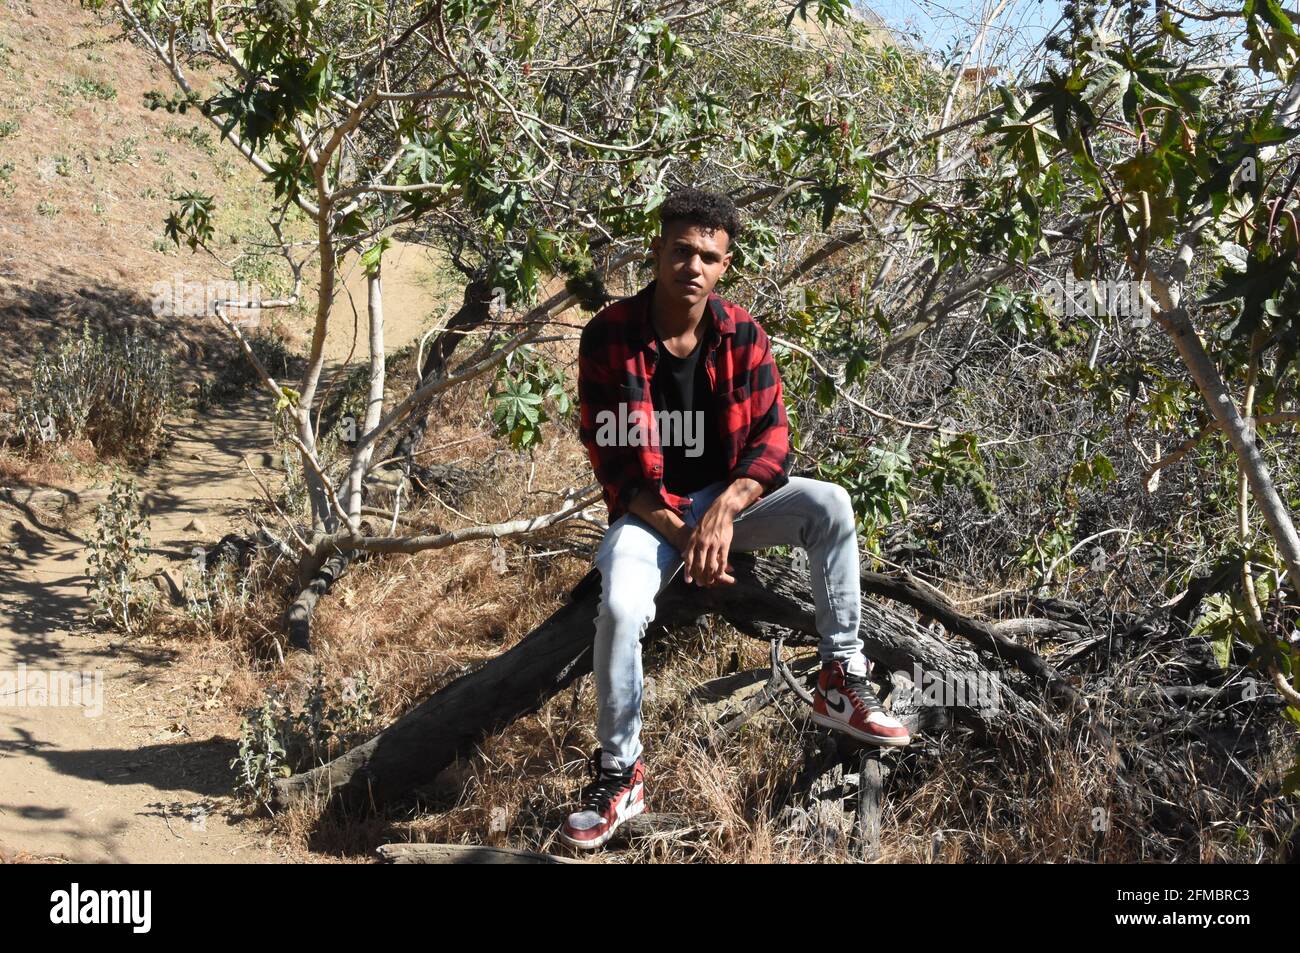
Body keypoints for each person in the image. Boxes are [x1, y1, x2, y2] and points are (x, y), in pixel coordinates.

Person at [559, 188, 909, 850]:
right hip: (652, 514)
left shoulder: (742, 333)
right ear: (656, 250)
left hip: (727, 505)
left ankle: (840, 675)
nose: (693, 265)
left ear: (725, 265)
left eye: (709, 256)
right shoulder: (611, 333)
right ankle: (620, 771)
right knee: (622, 607)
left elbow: (773, 445)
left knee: (829, 502)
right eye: (682, 250)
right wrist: (689, 536)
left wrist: (726, 507)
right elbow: (618, 470)